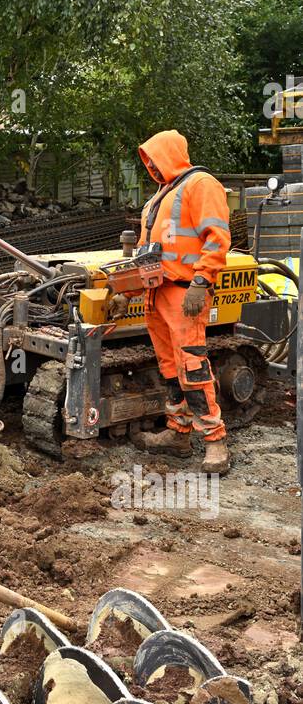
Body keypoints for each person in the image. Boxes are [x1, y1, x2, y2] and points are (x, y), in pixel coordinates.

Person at [132, 130, 232, 474]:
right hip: (157, 294)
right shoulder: (160, 196)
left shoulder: (201, 184)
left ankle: (215, 442)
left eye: (154, 159)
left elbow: (217, 238)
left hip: (185, 293)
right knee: (171, 369)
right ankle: (178, 434)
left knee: (192, 366)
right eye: (148, 162)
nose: (151, 167)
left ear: (169, 155)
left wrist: (201, 283)